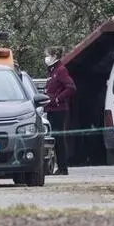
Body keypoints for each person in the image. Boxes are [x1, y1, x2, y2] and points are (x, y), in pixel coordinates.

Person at [44, 45, 76, 175]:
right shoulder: (52, 71)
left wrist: (58, 99)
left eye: (47, 55)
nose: (45, 58)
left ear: (54, 56)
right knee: (55, 138)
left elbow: (71, 87)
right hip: (51, 109)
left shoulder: (60, 70)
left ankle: (63, 168)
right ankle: (59, 166)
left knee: (59, 138)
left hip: (59, 110)